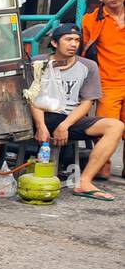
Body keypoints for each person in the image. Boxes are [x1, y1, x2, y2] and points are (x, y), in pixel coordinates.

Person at [30, 23, 123, 201]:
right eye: (68, 39)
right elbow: (33, 98)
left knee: (116, 126)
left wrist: (65, 125)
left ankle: (84, 182)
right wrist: (41, 126)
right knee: (42, 107)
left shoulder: (88, 66)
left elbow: (87, 102)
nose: (73, 44)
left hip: (70, 119)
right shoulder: (39, 62)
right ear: (55, 43)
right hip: (44, 116)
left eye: (77, 40)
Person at [81, 0, 125, 178]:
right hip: (108, 84)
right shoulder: (90, 20)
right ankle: (102, 167)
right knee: (106, 129)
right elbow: (83, 50)